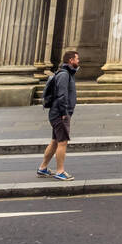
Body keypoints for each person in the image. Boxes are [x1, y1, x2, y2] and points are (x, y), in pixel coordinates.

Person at [38, 50, 79, 180]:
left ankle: (43, 168)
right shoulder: (64, 75)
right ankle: (60, 171)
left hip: (58, 112)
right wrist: (63, 113)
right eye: (77, 59)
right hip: (60, 113)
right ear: (71, 60)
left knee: (55, 141)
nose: (79, 61)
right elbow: (62, 95)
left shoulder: (66, 74)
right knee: (62, 142)